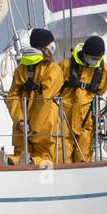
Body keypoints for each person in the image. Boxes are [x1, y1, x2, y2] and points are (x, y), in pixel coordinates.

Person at [6, 27, 66, 166]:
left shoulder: (21, 68)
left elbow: (13, 97)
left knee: (21, 154)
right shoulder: (53, 69)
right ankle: (29, 161)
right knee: (46, 158)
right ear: (48, 46)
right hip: (43, 126)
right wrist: (34, 127)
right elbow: (45, 99)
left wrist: (20, 122)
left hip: (21, 128)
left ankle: (11, 161)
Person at [61, 34, 107, 163]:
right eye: (93, 58)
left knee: (83, 159)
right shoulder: (65, 66)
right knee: (62, 158)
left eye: (98, 58)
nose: (96, 61)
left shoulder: (104, 70)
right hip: (64, 120)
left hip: (86, 122)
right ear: (85, 54)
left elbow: (102, 91)